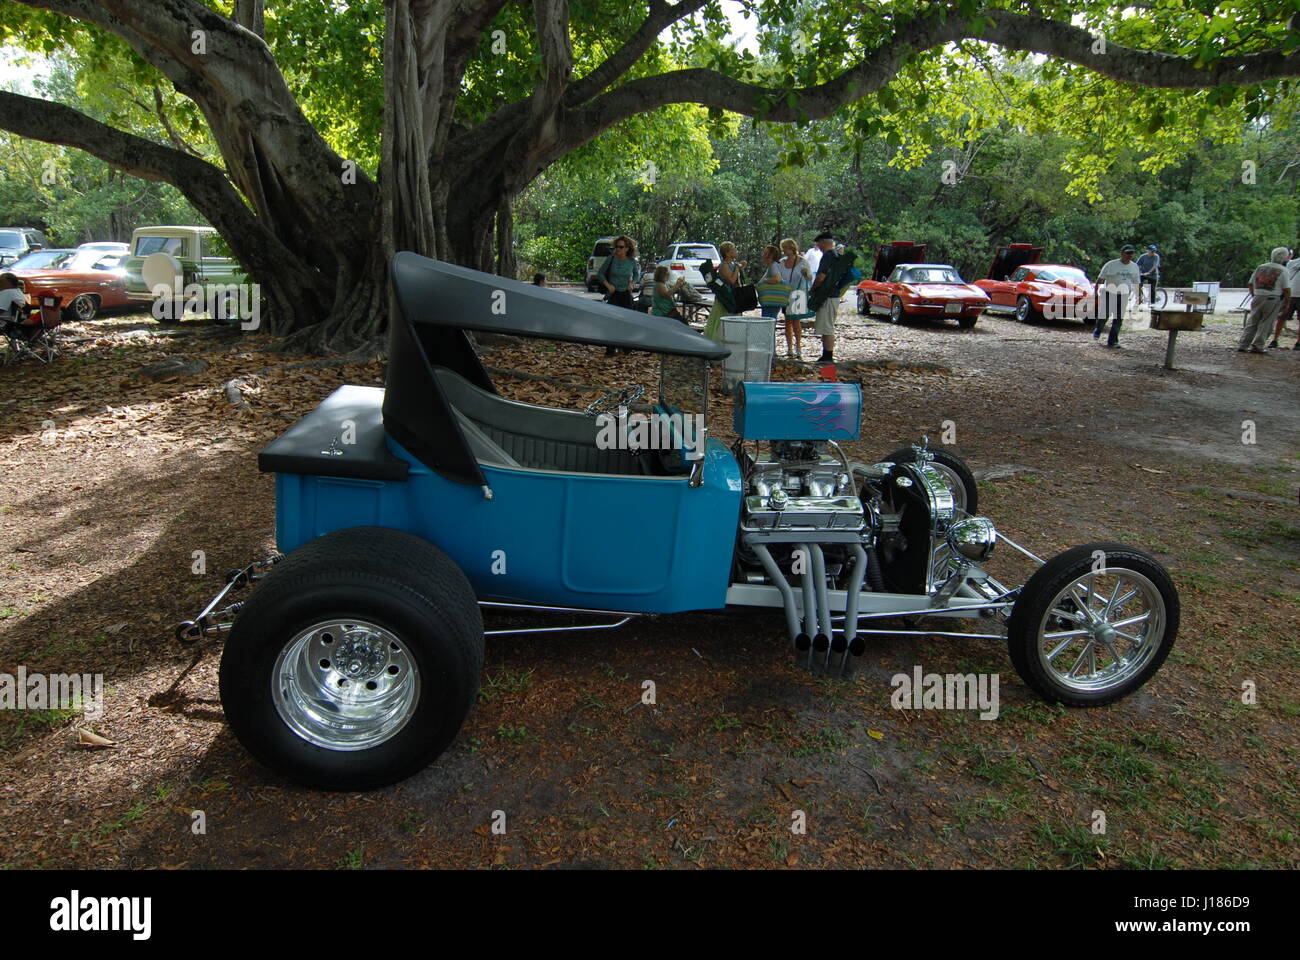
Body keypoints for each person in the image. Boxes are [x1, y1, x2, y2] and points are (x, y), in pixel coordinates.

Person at [1239, 247, 1291, 355]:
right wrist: (1287, 302)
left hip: (1258, 296)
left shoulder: (1261, 267)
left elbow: (1250, 283)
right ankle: (1258, 345)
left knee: (1252, 321)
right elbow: (1286, 289)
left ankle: (1243, 344)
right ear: (1284, 257)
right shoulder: (1283, 270)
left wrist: (1254, 294)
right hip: (1272, 298)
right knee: (1266, 323)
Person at [772, 238, 813, 358]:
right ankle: (789, 348)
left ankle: (798, 347)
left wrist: (806, 273)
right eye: (783, 248)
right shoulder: (782, 262)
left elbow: (809, 278)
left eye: (786, 248)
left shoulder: (802, 262)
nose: (784, 251)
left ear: (792, 248)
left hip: (798, 294)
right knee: (787, 321)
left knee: (796, 321)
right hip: (786, 294)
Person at [1094, 244, 1140, 348]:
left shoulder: (1134, 267)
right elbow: (1100, 279)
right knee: (1104, 315)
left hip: (1124, 294)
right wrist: (1096, 293)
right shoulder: (1111, 264)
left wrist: (1138, 297)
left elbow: (1137, 283)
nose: (1129, 255)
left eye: (1131, 253)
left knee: (1118, 319)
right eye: (1127, 253)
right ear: (1122, 253)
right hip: (1110, 293)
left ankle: (1113, 341)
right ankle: (1098, 329)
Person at [702, 241, 745, 341]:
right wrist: (738, 268)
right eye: (734, 250)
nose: (736, 251)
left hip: (734, 297)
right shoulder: (724, 265)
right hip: (725, 299)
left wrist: (739, 267)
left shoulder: (732, 264)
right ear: (727, 253)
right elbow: (731, 280)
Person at [808, 231, 839, 362]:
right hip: (833, 294)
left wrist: (813, 288)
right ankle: (826, 354)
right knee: (827, 326)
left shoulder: (828, 256)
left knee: (827, 327)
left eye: (819, 244)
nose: (818, 247)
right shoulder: (837, 255)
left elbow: (821, 276)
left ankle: (828, 356)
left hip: (827, 295)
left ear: (824, 243)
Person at [1268, 244, 1300, 349]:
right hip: (1290, 294)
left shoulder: (1292, 263)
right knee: (1281, 318)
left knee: (1281, 318)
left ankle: (1275, 340)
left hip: (1290, 293)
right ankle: (1295, 343)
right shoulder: (1293, 263)